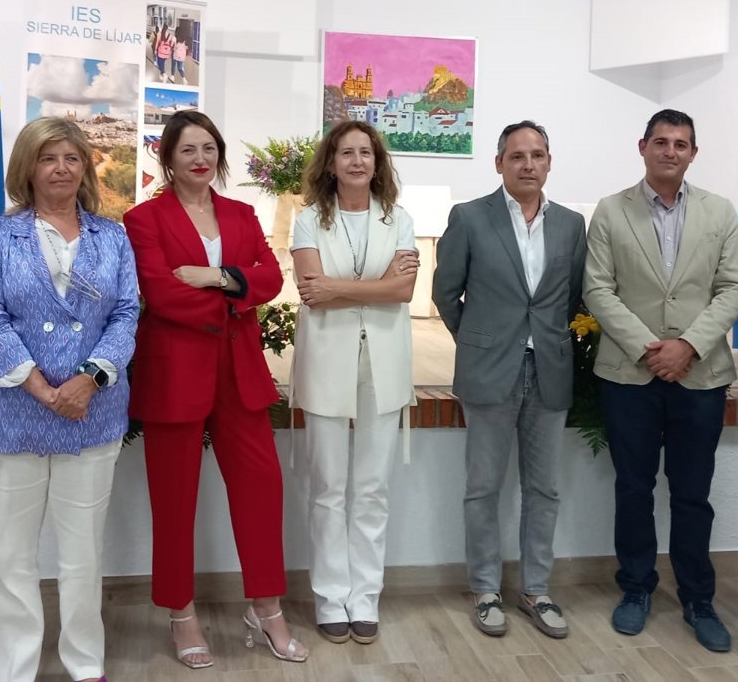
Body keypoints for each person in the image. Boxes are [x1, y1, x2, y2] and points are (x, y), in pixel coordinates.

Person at [123, 110, 307, 668]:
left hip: (239, 374)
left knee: (262, 488)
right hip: (175, 372)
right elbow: (161, 291)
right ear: (169, 161)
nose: (200, 159)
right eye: (187, 151)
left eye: (208, 148)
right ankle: (181, 614)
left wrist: (214, 276)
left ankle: (266, 608)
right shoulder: (144, 220)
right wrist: (237, 290)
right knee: (173, 500)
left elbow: (272, 280)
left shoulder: (242, 214)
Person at [0, 117, 140, 682]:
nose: (61, 168)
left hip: (91, 413)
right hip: (14, 414)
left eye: (71, 157)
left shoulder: (112, 237)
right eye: (48, 158)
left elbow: (126, 313)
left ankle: (85, 662)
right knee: (11, 554)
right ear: (28, 168)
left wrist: (88, 380)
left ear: (85, 167)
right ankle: (13, 667)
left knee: (82, 554)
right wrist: (42, 388)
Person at [583, 108, 738, 652]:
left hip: (699, 376)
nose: (670, 151)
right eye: (661, 142)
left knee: (693, 494)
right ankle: (635, 589)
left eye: (681, 144)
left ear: (694, 153)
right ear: (643, 147)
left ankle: (699, 598)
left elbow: (733, 289)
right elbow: (598, 290)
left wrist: (688, 346)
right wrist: (650, 348)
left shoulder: (719, 212)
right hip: (630, 374)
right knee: (633, 489)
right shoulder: (611, 211)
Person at [432, 121, 586, 640]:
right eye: (516, 155)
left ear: (549, 162)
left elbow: (572, 296)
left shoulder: (569, 225)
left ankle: (537, 589)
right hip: (489, 370)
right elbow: (445, 292)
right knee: (483, 488)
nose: (527, 164)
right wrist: (479, 339)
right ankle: (485, 588)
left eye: (537, 155)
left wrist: (540, 337)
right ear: (498, 163)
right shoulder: (470, 217)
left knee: (544, 488)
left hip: (549, 369)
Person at [290, 120, 419, 645]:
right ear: (331, 162)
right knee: (327, 488)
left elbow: (405, 291)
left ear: (378, 161)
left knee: (371, 489)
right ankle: (329, 598)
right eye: (347, 152)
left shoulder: (399, 219)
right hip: (326, 361)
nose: (357, 161)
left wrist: (342, 287)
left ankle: (365, 597)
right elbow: (310, 293)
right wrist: (376, 287)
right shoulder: (307, 222)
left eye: (366, 152)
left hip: (384, 365)